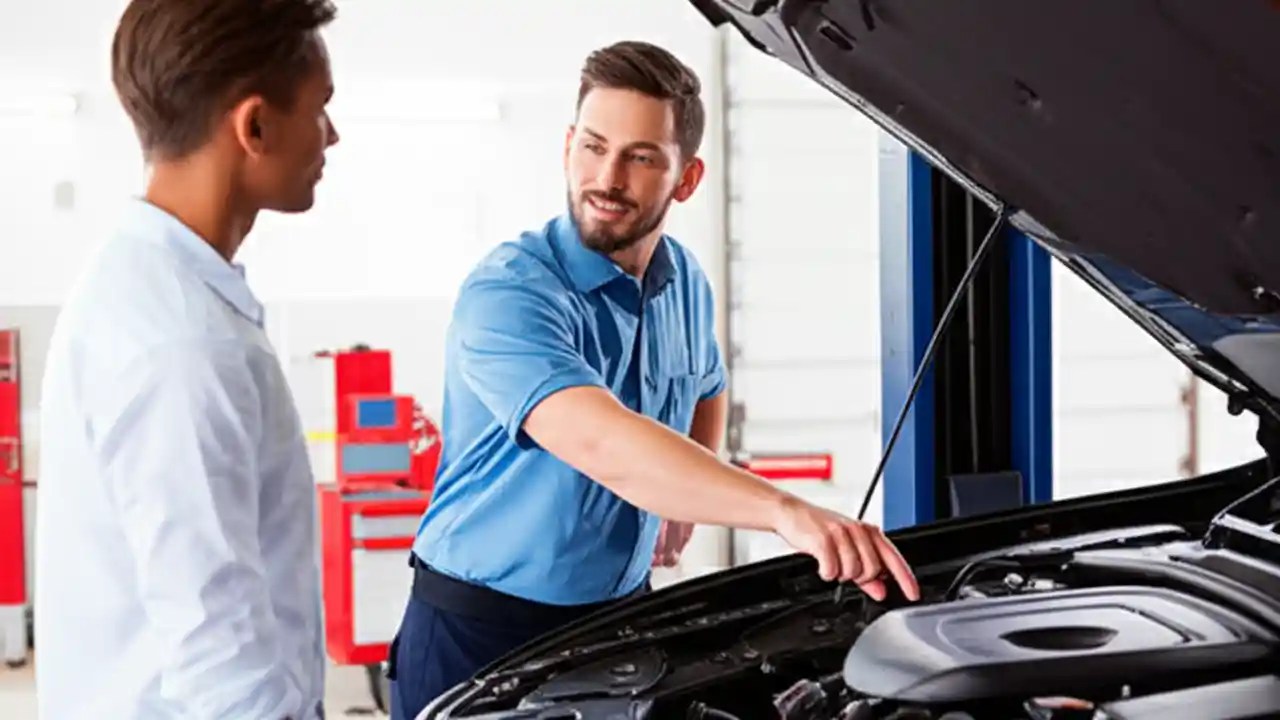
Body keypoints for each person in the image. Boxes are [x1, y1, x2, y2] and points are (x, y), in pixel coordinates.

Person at [386, 40, 920, 718]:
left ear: (686, 178)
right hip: (480, 633)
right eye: (592, 146)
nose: (607, 177)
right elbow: (604, 445)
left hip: (618, 622)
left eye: (640, 158)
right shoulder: (510, 293)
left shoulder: (684, 281)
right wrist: (786, 511)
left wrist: (682, 497)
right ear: (566, 147)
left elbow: (706, 383)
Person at [33, 1, 340, 717]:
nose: (332, 135)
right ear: (255, 126)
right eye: (320, 108)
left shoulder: (148, 289)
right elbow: (221, 663)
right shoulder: (181, 346)